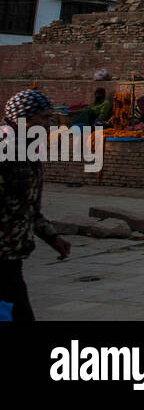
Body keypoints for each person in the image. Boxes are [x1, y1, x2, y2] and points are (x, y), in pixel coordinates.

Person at [0, 89, 72, 321]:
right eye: (44, 117)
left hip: (11, 255)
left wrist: (52, 237)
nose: (50, 123)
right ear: (25, 119)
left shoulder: (27, 151)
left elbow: (26, 206)